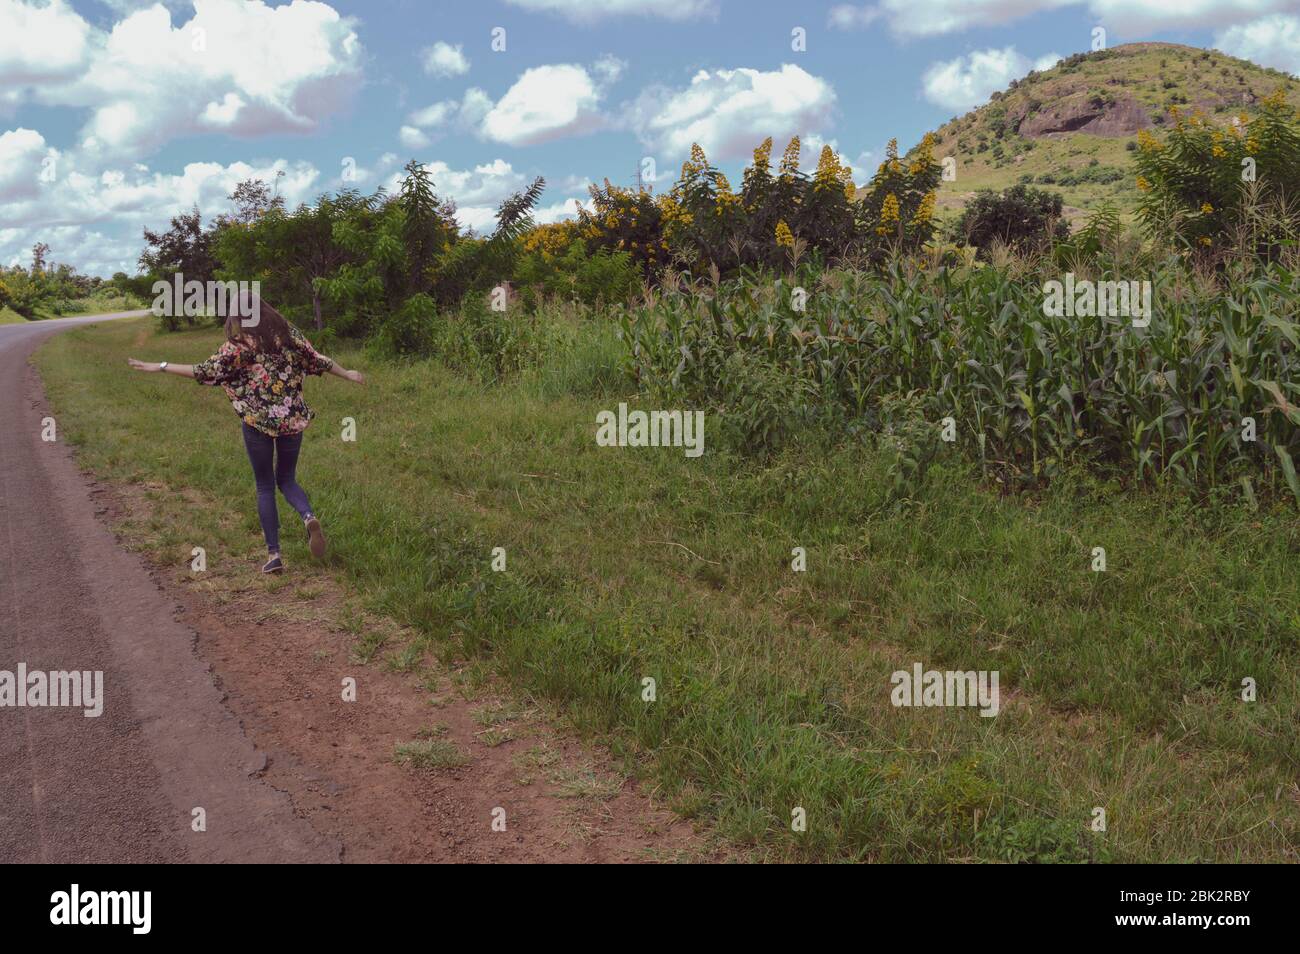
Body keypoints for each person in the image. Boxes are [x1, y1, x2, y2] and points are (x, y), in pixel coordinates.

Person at [128, 301, 365, 573]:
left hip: (256, 423)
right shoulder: (288, 336)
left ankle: (274, 555)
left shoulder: (239, 346)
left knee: (265, 486)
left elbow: (202, 371)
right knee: (286, 479)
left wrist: (160, 365)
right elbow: (317, 359)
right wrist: (348, 373)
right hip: (290, 420)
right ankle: (308, 516)